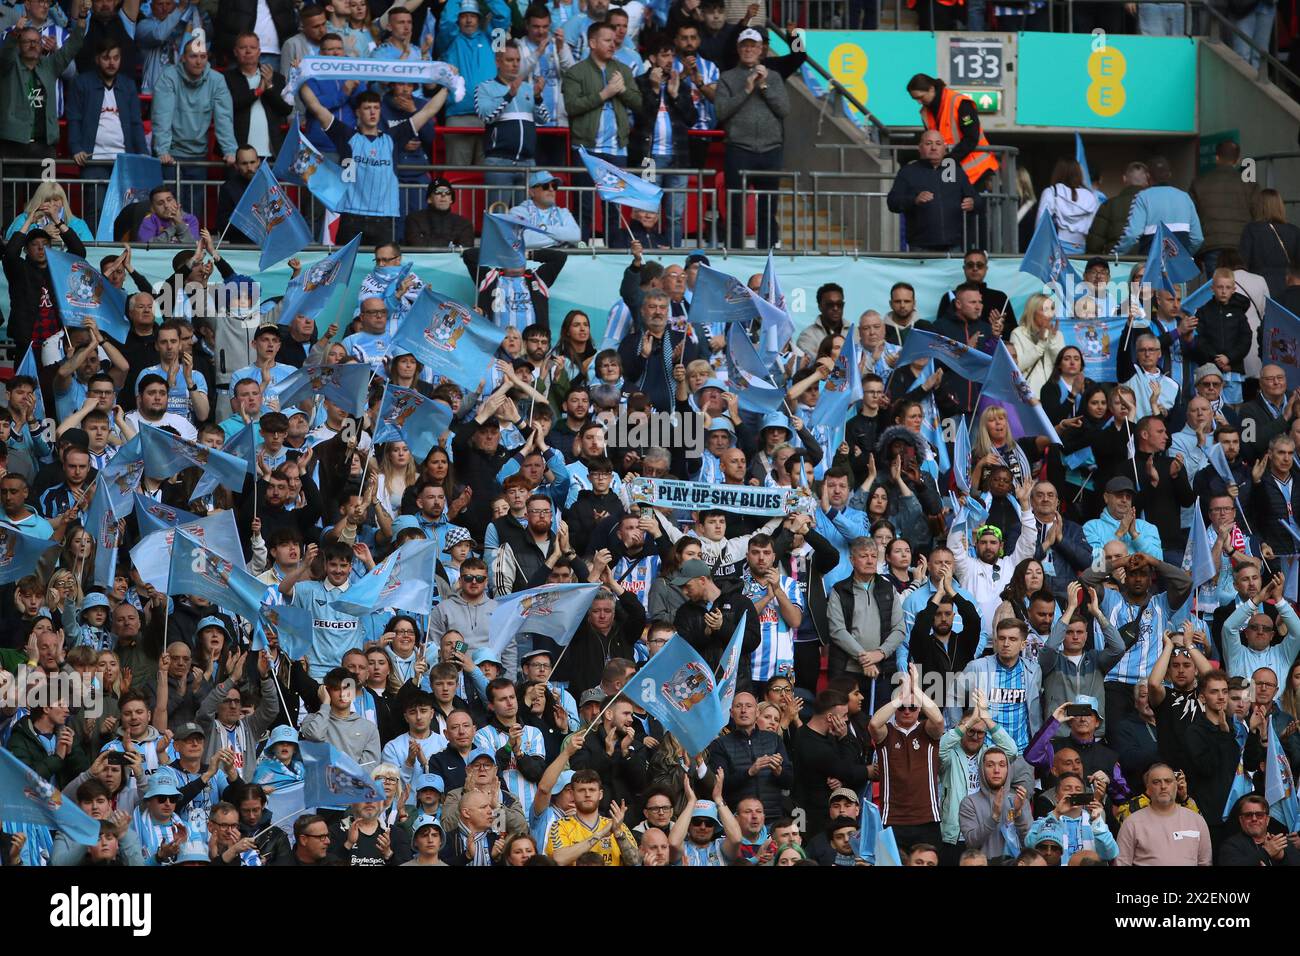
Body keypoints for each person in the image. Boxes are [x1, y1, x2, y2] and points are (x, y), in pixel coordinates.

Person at [298, 84, 447, 247]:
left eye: (376, 107)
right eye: (367, 108)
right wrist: (301, 79)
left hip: (385, 218)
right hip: (351, 217)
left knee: (385, 269)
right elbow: (315, 106)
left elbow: (428, 111)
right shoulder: (346, 135)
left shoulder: (394, 136)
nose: (372, 112)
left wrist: (448, 84)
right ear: (358, 112)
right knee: (347, 270)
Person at [0, 4, 87, 225]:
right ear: (19, 45)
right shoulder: (9, 67)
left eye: (36, 42)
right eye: (27, 41)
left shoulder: (50, 66)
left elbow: (73, 47)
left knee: (45, 197)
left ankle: (41, 237)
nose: (32, 45)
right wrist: (14, 33)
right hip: (13, 144)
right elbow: (5, 56)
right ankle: (8, 239)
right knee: (9, 198)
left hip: (44, 145)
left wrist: (82, 19)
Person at [561, 20, 642, 240]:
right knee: (584, 204)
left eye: (615, 41)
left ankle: (613, 251)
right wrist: (604, 94)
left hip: (617, 150)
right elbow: (571, 106)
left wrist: (623, 90)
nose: (613, 45)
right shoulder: (576, 72)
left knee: (614, 207)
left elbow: (639, 103)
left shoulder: (623, 70)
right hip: (586, 148)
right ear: (592, 43)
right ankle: (582, 249)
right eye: (607, 40)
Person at [714, 28, 787, 250]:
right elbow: (721, 112)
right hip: (739, 148)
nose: (748, 50)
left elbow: (784, 109)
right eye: (744, 46)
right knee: (735, 205)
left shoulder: (773, 77)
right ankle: (735, 250)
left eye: (753, 46)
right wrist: (745, 91)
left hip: (770, 149)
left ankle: (767, 253)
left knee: (768, 207)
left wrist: (763, 86)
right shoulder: (727, 77)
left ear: (761, 50)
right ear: (738, 49)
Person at [887, 130, 983, 253]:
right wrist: (914, 200)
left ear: (945, 148)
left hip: (953, 246)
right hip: (920, 246)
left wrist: (973, 203)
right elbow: (892, 202)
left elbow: (978, 200)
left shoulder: (955, 171)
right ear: (920, 148)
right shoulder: (908, 172)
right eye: (928, 143)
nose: (933, 148)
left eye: (938, 143)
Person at [904, 72, 998, 190]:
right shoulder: (926, 112)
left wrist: (948, 160)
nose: (918, 102)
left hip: (979, 171)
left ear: (932, 89)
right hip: (954, 169)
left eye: (920, 97)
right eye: (915, 99)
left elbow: (971, 137)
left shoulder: (959, 103)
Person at [1116, 763, 1212, 865]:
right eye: (1156, 782)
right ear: (1148, 788)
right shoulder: (1132, 823)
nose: (1163, 786)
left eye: (1168, 781)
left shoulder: (1196, 821)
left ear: (1176, 785)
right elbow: (1122, 863)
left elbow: (1205, 862)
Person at [1239, 188, 1300, 299]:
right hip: (1288, 286)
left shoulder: (1251, 230)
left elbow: (1243, 262)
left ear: (1259, 207)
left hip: (1258, 286)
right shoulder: (1294, 231)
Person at [1036, 159, 1099, 255]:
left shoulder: (1051, 193)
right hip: (1082, 247)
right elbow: (1095, 227)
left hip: (1055, 248)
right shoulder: (1091, 196)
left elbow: (1040, 226)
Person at [1217, 793, 1300, 865]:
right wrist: (1266, 853)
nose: (1254, 819)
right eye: (1248, 815)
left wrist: (1282, 857)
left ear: (1267, 820)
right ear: (1241, 820)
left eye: (1259, 815)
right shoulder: (1230, 846)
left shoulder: (1282, 843)